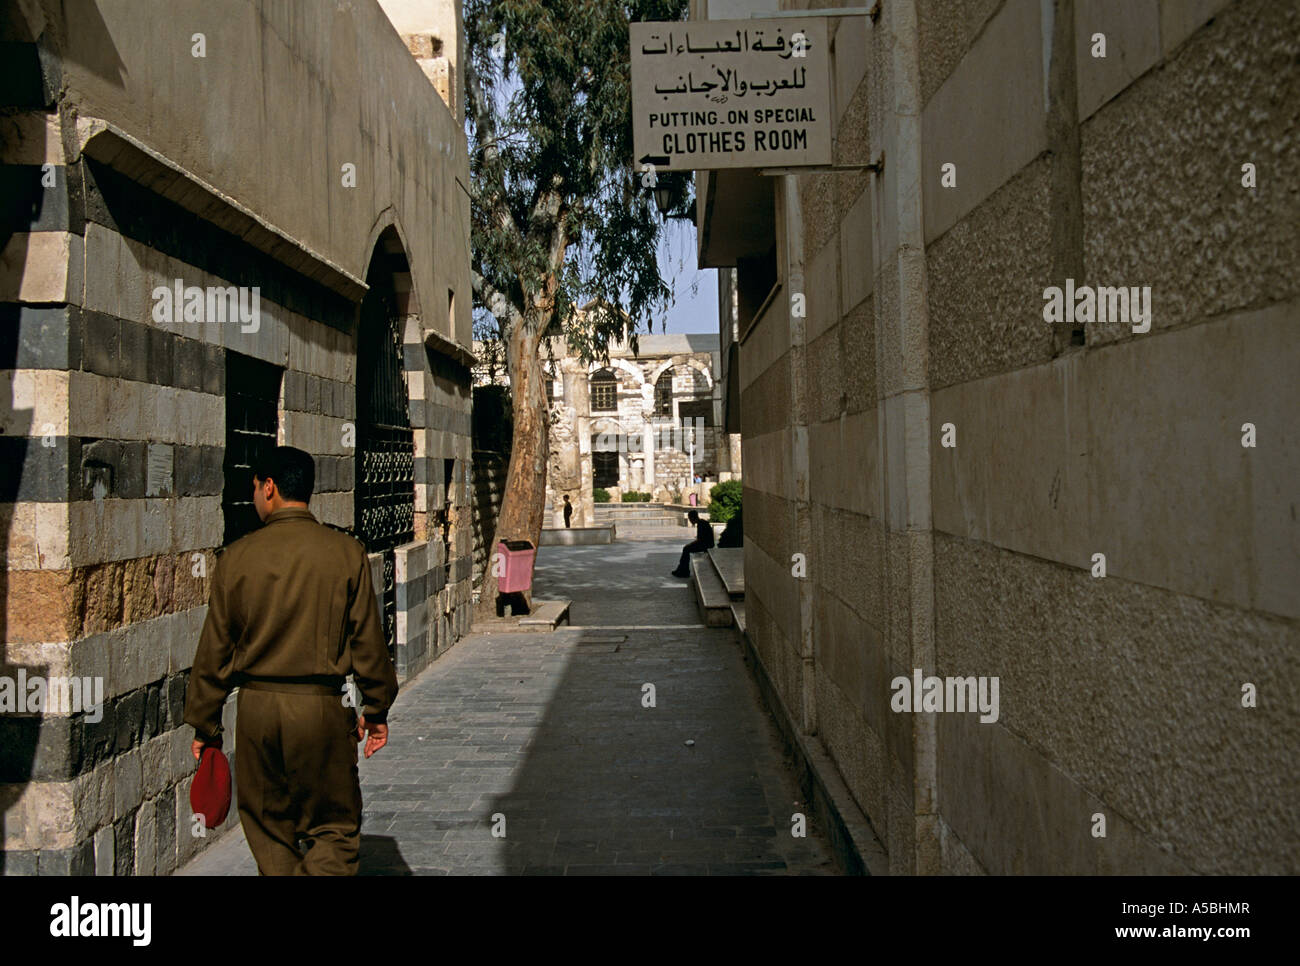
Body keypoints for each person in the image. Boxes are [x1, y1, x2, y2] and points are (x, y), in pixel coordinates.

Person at [183, 446, 398, 875]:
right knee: (334, 827)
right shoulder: (345, 552)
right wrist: (376, 709)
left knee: (269, 827)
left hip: (258, 712)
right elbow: (369, 644)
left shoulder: (235, 559)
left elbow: (214, 652)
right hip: (322, 710)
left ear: (270, 487)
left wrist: (205, 725)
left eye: (256, 489)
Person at [671, 509, 715, 577]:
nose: (690, 521)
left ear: (692, 518)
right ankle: (683, 570)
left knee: (686, 549)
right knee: (686, 548)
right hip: (707, 544)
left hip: (706, 545)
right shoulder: (702, 522)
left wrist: (690, 544)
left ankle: (683, 571)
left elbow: (700, 540)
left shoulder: (701, 524)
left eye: (690, 519)